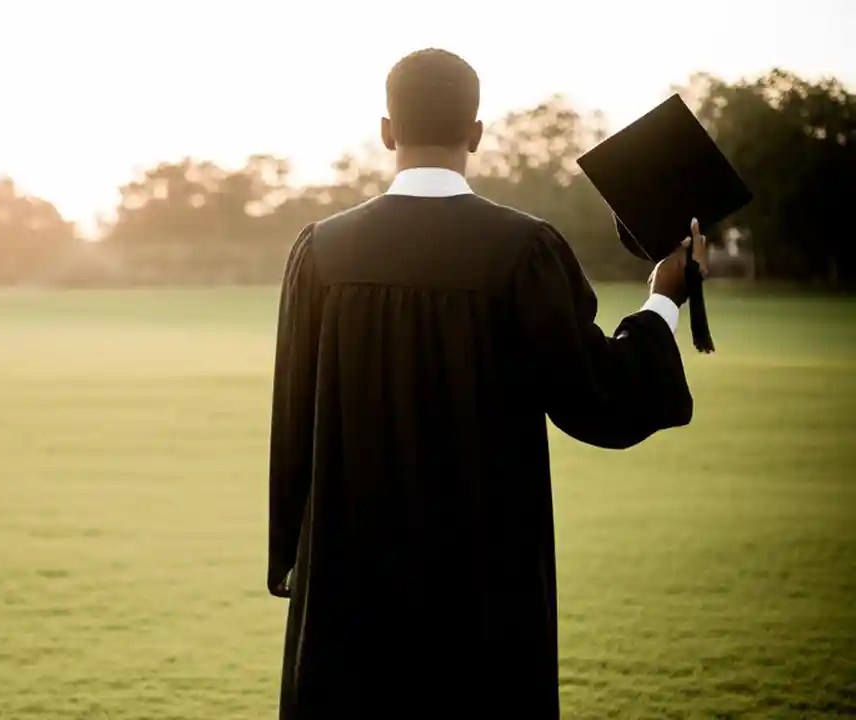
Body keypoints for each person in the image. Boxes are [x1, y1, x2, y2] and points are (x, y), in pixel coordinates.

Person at [267, 49, 704, 718]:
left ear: (386, 132)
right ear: (476, 134)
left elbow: (293, 415)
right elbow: (597, 397)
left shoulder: (321, 251)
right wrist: (663, 300)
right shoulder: (522, 250)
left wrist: (293, 555)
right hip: (483, 590)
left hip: (349, 588)